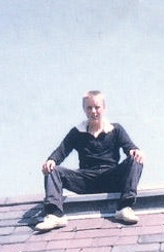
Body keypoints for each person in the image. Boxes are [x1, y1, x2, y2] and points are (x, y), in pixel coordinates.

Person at [34, 90, 145, 232]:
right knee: (52, 169)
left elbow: (130, 147)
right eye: (89, 108)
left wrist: (135, 152)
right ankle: (55, 214)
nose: (93, 111)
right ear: (84, 109)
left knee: (136, 159)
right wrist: (51, 160)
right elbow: (60, 152)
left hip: (111, 178)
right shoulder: (77, 132)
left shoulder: (116, 129)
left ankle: (125, 207)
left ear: (104, 108)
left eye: (97, 107)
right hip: (86, 180)